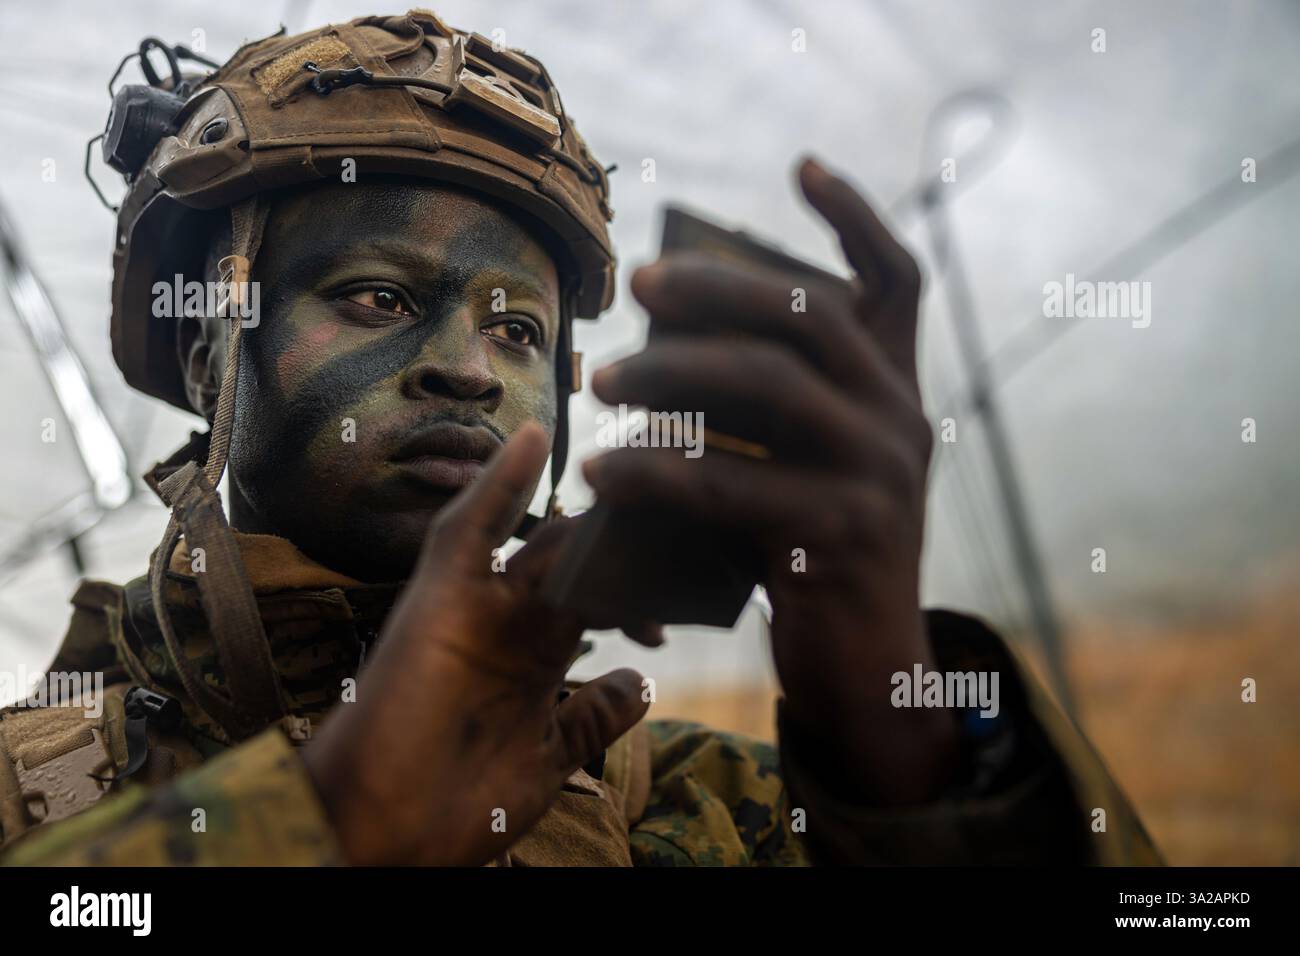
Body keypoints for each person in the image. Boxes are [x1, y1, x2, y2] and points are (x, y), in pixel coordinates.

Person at [0, 9, 1158, 866]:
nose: (466, 364)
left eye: (516, 328)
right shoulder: (31, 795)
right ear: (211, 357)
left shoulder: (708, 806)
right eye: (377, 297)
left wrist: (900, 752)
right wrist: (328, 826)